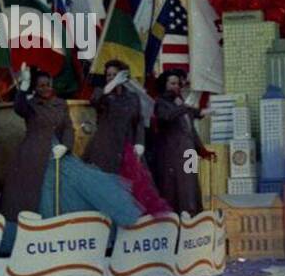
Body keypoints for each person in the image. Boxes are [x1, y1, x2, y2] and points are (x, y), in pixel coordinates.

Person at [2, 66, 74, 222]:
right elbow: (19, 108)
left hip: (57, 153)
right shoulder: (30, 104)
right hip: (33, 155)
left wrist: (66, 146)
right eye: (41, 86)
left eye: (48, 85)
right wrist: (24, 86)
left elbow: (68, 127)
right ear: (35, 87)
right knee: (34, 194)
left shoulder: (61, 103)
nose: (46, 89)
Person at [151, 70, 207, 216]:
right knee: (178, 184)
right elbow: (166, 117)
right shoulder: (161, 103)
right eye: (172, 83)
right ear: (165, 85)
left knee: (191, 182)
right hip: (173, 152)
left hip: (189, 151)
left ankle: (193, 213)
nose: (176, 86)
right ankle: (180, 214)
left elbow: (190, 128)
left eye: (178, 84)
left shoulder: (180, 103)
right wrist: (183, 107)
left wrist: (200, 148)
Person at [84, 60, 142, 174]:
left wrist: (140, 143)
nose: (111, 78)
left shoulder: (133, 97)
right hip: (105, 146)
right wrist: (110, 86)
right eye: (108, 75)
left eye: (115, 75)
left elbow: (138, 121)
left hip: (126, 146)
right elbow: (95, 101)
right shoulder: (101, 93)